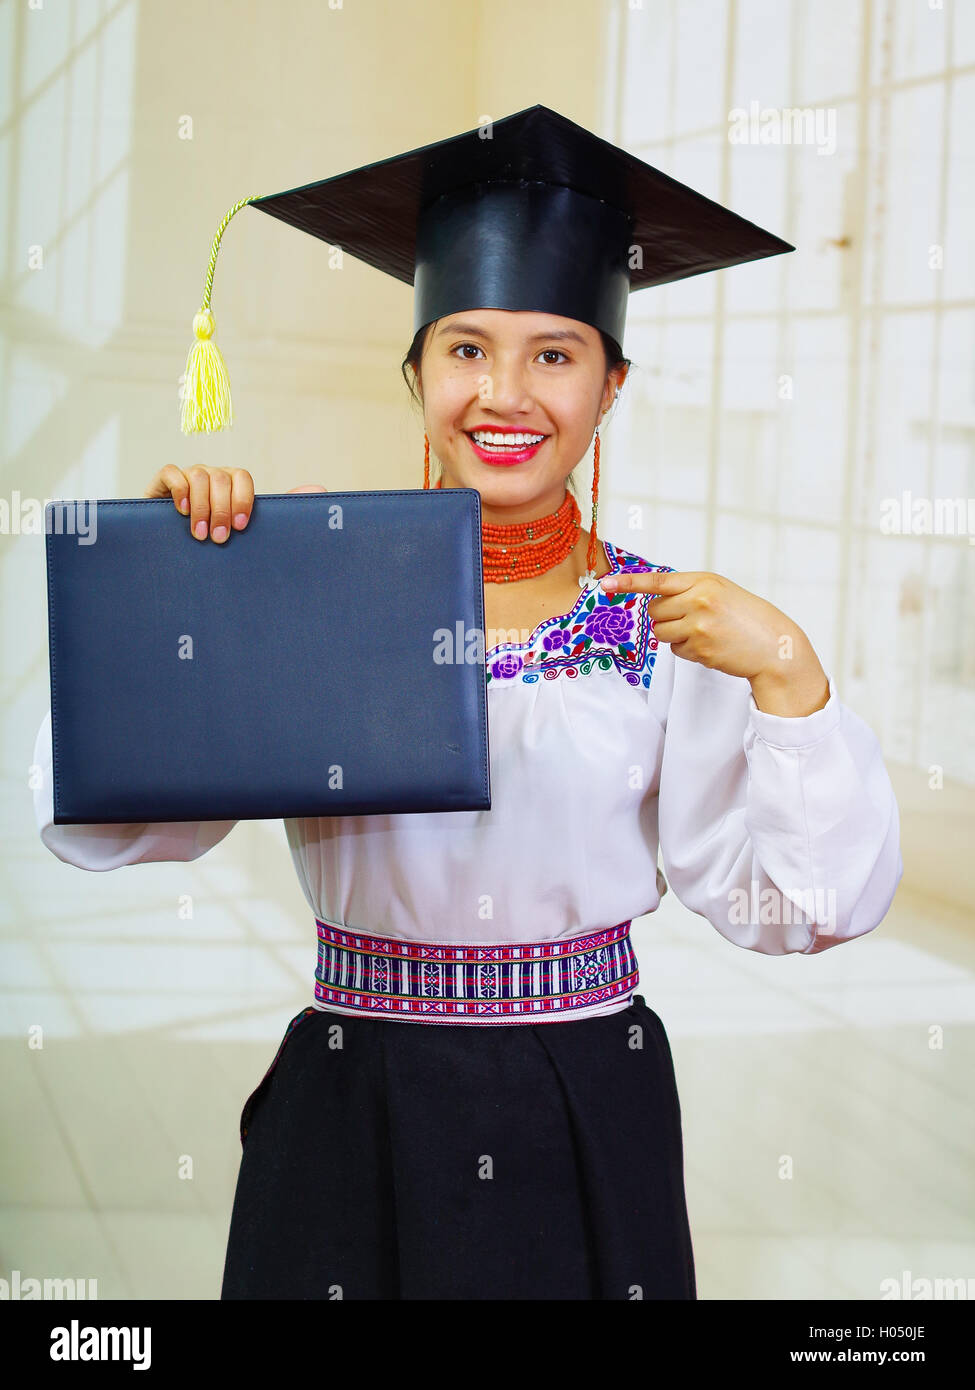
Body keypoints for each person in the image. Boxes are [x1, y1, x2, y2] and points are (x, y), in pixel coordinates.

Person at [31, 106, 903, 1300]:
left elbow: (801, 909)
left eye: (555, 353)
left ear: (612, 385)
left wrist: (793, 674)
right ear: (416, 373)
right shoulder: (313, 580)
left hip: (586, 1103)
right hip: (354, 1097)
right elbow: (114, 822)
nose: (506, 394)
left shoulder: (668, 626)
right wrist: (180, 589)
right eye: (466, 349)